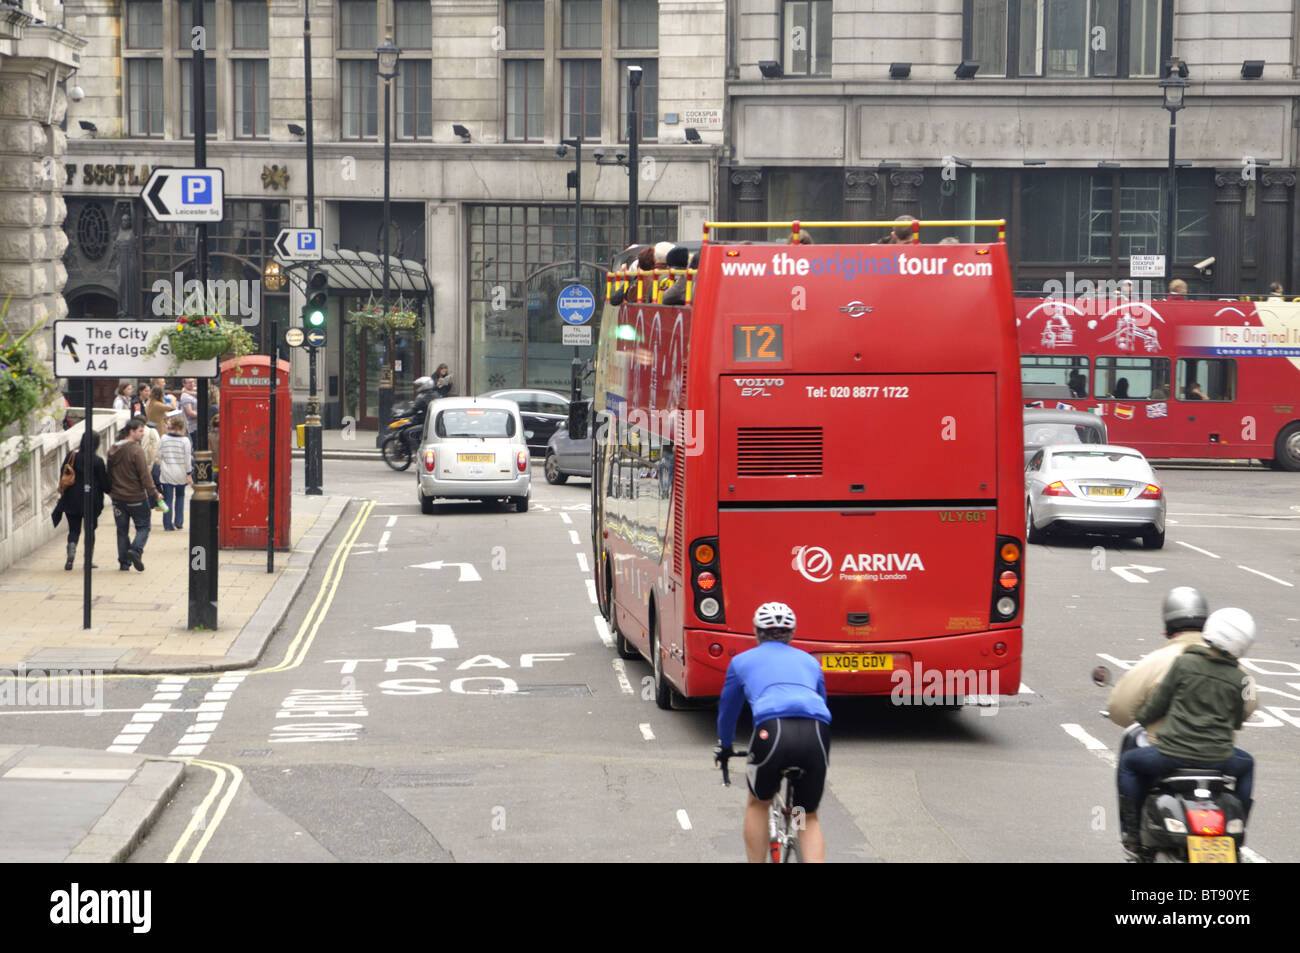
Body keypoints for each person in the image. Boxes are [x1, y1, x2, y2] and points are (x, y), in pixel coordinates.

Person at [1117, 608, 1258, 852]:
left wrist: (1142, 718)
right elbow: (1236, 722)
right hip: (1220, 760)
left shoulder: (1184, 662)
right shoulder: (1240, 679)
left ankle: (1132, 832)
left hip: (1171, 755)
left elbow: (1157, 704)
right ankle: (1239, 828)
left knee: (1129, 763)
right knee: (1248, 765)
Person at [716, 602, 832, 863]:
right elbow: (822, 702)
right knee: (806, 816)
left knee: (759, 802)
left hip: (773, 732)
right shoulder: (809, 662)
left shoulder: (741, 661)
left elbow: (728, 709)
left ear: (757, 632)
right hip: (816, 733)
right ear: (791, 633)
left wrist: (725, 745)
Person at [107, 416, 163, 572]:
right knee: (144, 527)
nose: (142, 434)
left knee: (122, 530)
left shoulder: (112, 450)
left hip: (118, 498)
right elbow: (145, 475)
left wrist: (111, 491)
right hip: (136, 496)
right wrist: (155, 493)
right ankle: (135, 550)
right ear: (131, 432)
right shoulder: (136, 451)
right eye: (140, 431)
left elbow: (108, 473)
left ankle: (124, 562)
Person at [51, 431, 112, 571]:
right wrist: (110, 491)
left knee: (73, 529)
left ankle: (71, 551)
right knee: (90, 530)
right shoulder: (97, 461)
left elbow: (63, 471)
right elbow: (104, 482)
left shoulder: (72, 456)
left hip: (71, 498)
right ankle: (88, 561)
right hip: (91, 500)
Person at [157, 415, 192, 531]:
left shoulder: (163, 438)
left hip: (167, 473)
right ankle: (179, 521)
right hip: (181, 473)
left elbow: (158, 455)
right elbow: (187, 459)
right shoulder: (185, 441)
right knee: (180, 496)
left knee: (168, 499)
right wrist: (189, 473)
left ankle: (167, 524)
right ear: (182, 427)